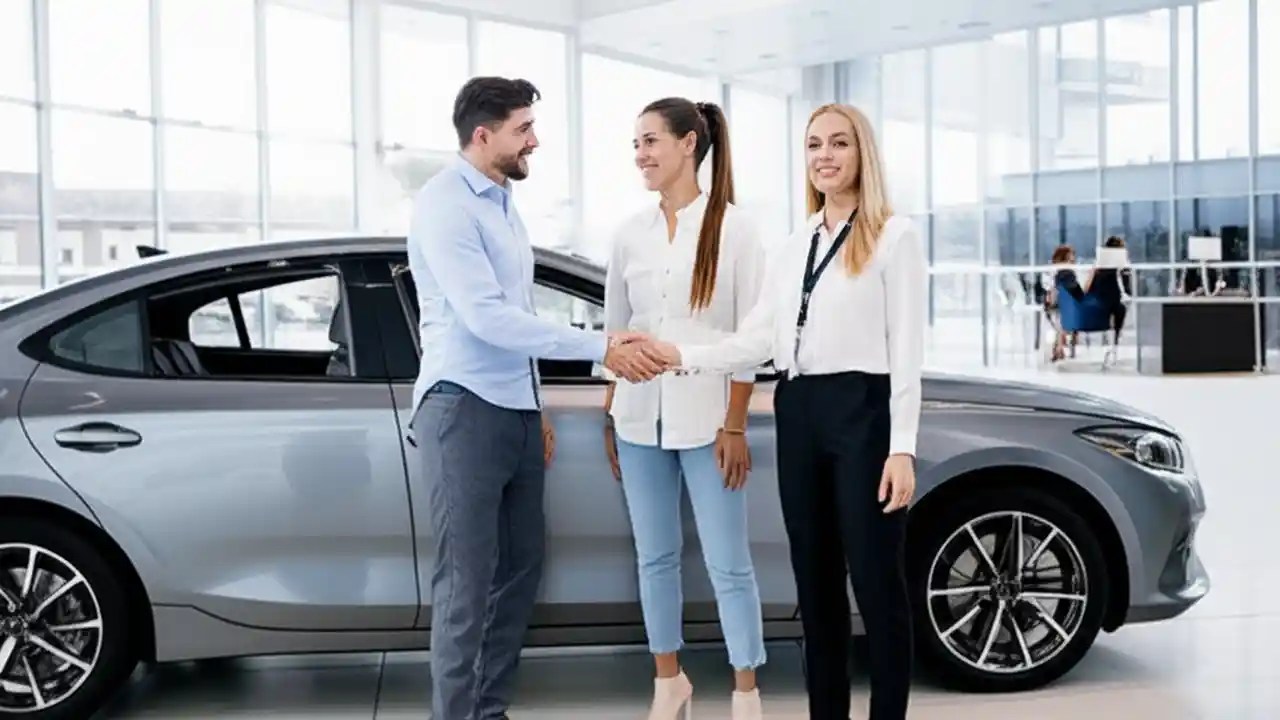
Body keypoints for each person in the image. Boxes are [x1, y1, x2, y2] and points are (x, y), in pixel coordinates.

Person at [644, 103, 926, 720]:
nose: (824, 156)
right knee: (815, 586)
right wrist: (680, 353)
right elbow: (758, 339)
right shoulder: (795, 243)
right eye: (814, 145)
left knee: (878, 589)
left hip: (864, 410)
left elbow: (907, 351)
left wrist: (901, 445)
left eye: (839, 144)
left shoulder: (893, 236)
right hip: (799, 408)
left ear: (862, 154)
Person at [407, 76, 662, 720]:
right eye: (523, 129)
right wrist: (602, 347)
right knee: (465, 584)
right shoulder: (446, 205)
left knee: (519, 573)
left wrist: (534, 401)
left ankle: (488, 711)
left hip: (512, 410)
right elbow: (486, 319)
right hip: (461, 408)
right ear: (483, 134)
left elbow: (517, 314)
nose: (534, 140)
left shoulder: (499, 201)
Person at [602, 97, 767, 720]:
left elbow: (750, 338)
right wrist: (611, 413)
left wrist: (734, 424)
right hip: (640, 419)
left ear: (688, 144)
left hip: (708, 421)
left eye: (650, 141)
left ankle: (746, 691)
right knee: (656, 557)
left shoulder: (736, 229)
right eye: (636, 144)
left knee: (729, 563)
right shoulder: (628, 234)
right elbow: (616, 331)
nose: (640, 155)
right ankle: (668, 682)